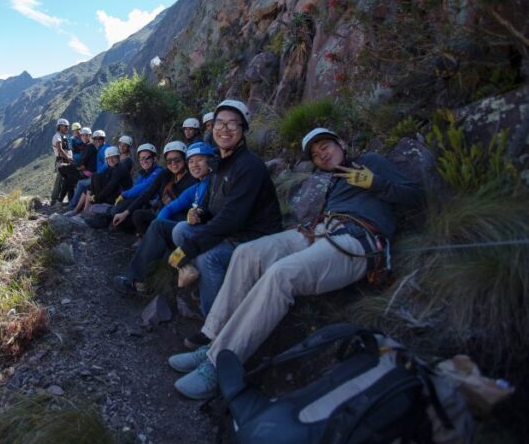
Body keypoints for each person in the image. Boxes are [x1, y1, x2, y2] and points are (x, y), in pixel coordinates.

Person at [168, 127, 424, 400]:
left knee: (281, 274)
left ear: (341, 143)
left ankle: (220, 364)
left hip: (358, 239)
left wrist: (375, 183)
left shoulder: (371, 162)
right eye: (314, 154)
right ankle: (213, 339)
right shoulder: (335, 181)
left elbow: (416, 194)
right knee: (247, 254)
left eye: (324, 146)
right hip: (320, 231)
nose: (321, 154)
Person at [168, 100, 283, 321]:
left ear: (243, 129)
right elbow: (213, 207)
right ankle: (206, 290)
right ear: (212, 128)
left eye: (232, 124)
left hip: (253, 238)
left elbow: (232, 218)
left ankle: (215, 327)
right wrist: (200, 213)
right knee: (181, 229)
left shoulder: (248, 166)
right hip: (232, 233)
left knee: (207, 257)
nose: (224, 129)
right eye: (219, 123)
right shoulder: (220, 166)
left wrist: (188, 250)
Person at [113, 141, 215, 296]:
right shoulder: (196, 185)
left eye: (178, 160)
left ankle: (137, 280)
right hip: (184, 224)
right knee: (148, 220)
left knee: (163, 226)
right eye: (192, 161)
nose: (173, 164)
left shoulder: (207, 183)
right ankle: (149, 263)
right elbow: (168, 204)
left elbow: (213, 212)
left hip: (196, 228)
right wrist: (154, 223)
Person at [111, 141, 196, 236]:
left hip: (177, 218)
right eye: (169, 161)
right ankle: (147, 235)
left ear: (185, 160)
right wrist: (125, 213)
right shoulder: (165, 174)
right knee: (133, 217)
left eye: (177, 160)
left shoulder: (191, 180)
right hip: (160, 212)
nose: (173, 164)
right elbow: (147, 193)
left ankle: (154, 238)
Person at [85, 144, 162, 229]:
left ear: (154, 158)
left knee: (117, 210)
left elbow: (144, 187)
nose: (144, 161)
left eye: (147, 158)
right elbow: (135, 187)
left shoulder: (158, 172)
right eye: (141, 158)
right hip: (137, 199)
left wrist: (124, 195)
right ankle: (104, 218)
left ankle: (105, 215)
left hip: (149, 203)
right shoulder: (143, 173)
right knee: (96, 177)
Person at [51, 118, 74, 204]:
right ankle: (54, 199)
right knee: (60, 180)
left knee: (67, 179)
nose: (67, 128)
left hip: (65, 160)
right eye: (65, 126)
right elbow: (60, 149)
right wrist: (69, 158)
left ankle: (68, 198)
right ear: (60, 126)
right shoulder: (57, 136)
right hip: (61, 160)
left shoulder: (63, 136)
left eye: (67, 126)